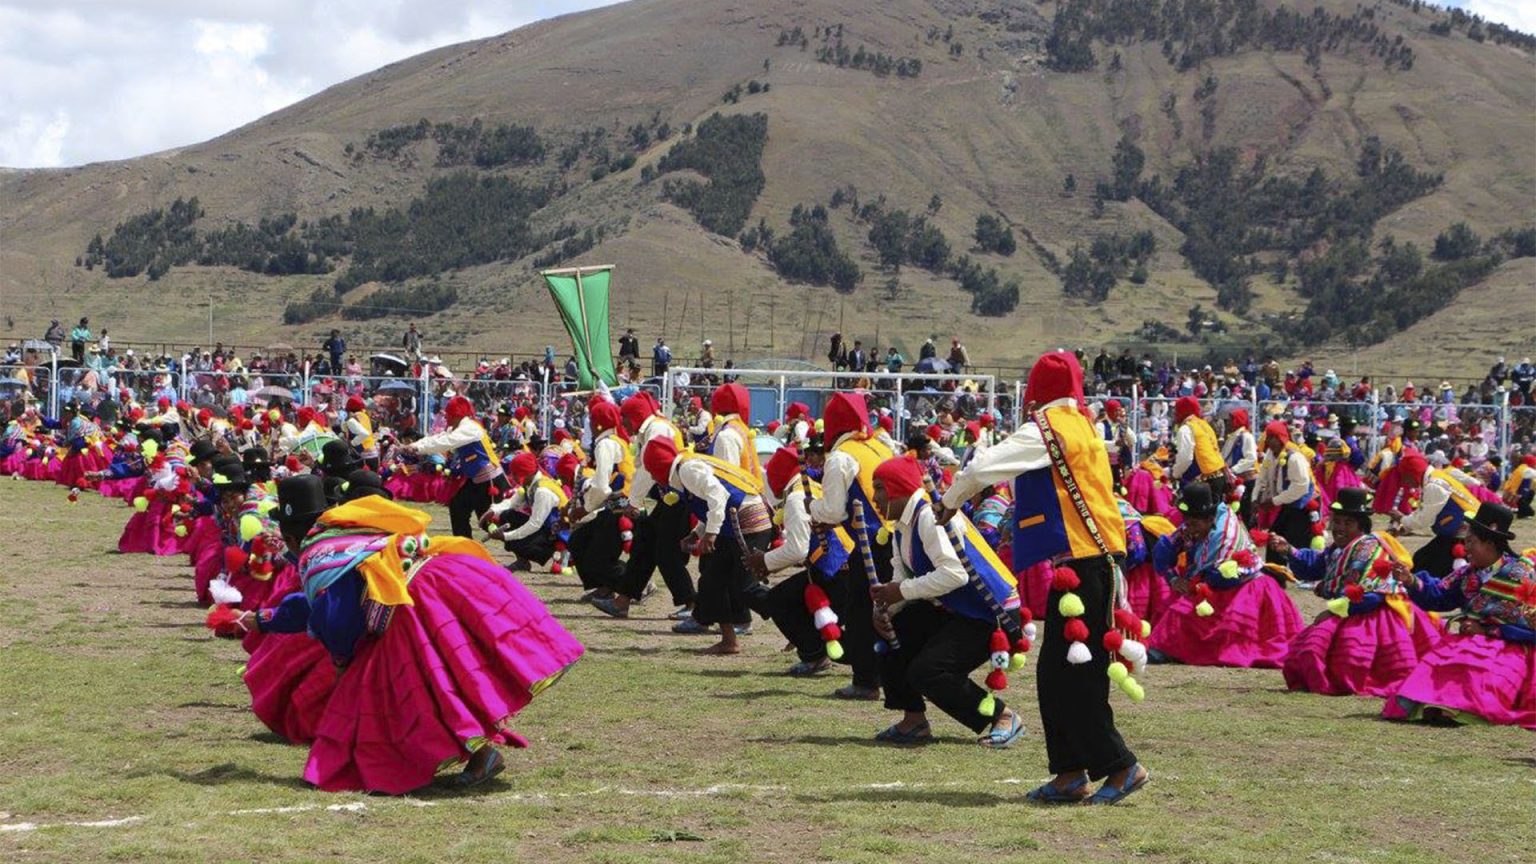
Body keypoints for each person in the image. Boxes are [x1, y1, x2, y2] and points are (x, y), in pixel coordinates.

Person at [236, 474, 584, 792]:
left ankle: (468, 757)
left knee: (410, 689)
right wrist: (264, 620)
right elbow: (314, 605)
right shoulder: (344, 527)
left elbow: (338, 616)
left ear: (293, 537)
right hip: (442, 578)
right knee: (450, 680)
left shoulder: (315, 555)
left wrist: (341, 659)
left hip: (414, 602)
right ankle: (478, 756)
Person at [938, 351, 1146, 805]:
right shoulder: (1082, 425)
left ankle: (1121, 766)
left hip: (1087, 564)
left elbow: (979, 468)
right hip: (1085, 563)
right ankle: (1070, 771)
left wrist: (949, 501)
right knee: (1055, 674)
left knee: (1081, 673)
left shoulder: (1047, 430)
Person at [866, 455, 1027, 747]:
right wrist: (888, 608)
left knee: (929, 670)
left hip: (990, 612)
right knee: (893, 632)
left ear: (898, 488)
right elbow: (902, 575)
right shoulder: (901, 524)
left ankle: (1002, 716)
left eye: (879, 488)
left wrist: (899, 592)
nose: (874, 497)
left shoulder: (929, 516)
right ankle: (913, 720)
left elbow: (955, 575)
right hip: (956, 607)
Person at [1277, 487, 1443, 697]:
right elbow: (1316, 566)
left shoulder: (1370, 548)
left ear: (1361, 526)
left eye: (1348, 523)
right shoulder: (1339, 548)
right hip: (1349, 609)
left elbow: (1370, 593)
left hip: (1376, 614)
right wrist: (1289, 550)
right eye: (1337, 521)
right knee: (1309, 650)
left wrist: (1334, 611)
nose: (1339, 528)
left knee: (1354, 660)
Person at [1384, 502, 1535, 728]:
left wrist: (1488, 630)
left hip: (1509, 647)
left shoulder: (1522, 575)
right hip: (1469, 640)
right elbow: (1439, 596)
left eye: (1471, 541)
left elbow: (1530, 627)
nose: (1466, 548)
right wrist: (1410, 580)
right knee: (1438, 666)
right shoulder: (1467, 574)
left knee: (1480, 674)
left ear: (1490, 542)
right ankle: (1437, 706)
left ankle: (1459, 710)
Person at [1145, 482, 1303, 668]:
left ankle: (1173, 649)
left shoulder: (1225, 536)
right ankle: (1168, 647)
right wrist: (1173, 578)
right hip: (1212, 581)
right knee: (1175, 607)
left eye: (1194, 524)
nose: (1189, 529)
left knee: (1195, 616)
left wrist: (1189, 586)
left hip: (1241, 587)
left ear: (1211, 519)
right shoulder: (1191, 526)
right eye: (1187, 522)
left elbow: (1217, 576)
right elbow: (1164, 552)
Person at [641, 436, 772, 655]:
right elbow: (711, 503)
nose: (654, 477)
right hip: (732, 523)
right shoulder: (688, 468)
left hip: (747, 523)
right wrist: (698, 532)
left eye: (652, 472)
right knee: (712, 580)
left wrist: (710, 534)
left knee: (745, 587)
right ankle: (729, 640)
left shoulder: (687, 470)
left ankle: (795, 617)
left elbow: (718, 495)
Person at [808, 392, 895, 701]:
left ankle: (866, 680)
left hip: (870, 542)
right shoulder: (880, 446)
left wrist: (812, 508)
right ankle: (889, 673)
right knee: (896, 607)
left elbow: (832, 511)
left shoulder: (842, 457)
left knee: (860, 609)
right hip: (898, 534)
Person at [745, 446, 856, 676]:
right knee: (791, 598)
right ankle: (817, 649)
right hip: (840, 565)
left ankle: (815, 654)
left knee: (779, 600)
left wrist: (763, 561)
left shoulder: (797, 497)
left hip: (833, 571)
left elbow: (797, 550)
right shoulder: (812, 486)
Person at [594, 393, 695, 621]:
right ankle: (623, 601)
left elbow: (647, 469)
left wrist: (634, 501)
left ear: (636, 416)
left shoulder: (656, 430)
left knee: (666, 553)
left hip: (677, 497)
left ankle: (691, 602)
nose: (624, 424)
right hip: (667, 497)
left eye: (626, 418)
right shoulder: (649, 430)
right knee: (643, 546)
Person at [407, 396, 506, 538]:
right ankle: (464, 547)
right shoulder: (459, 427)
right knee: (458, 507)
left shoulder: (469, 428)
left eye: (448, 416)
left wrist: (416, 449)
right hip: (476, 480)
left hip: (490, 482)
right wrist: (414, 446)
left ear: (456, 415)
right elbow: (438, 438)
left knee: (489, 523)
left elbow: (445, 442)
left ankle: (523, 545)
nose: (447, 420)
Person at [1393, 451, 1484, 578]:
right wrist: (1404, 527)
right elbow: (1423, 512)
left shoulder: (1434, 485)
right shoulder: (1437, 477)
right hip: (1461, 531)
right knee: (1423, 559)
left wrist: (1401, 518)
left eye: (1404, 477)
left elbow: (1424, 520)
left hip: (1464, 535)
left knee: (1425, 563)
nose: (1404, 481)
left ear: (1411, 474)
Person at [484, 452, 567, 571]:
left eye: (515, 474)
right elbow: (511, 503)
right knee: (509, 515)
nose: (513, 477)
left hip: (556, 534)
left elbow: (535, 524)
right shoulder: (530, 483)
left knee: (513, 524)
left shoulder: (542, 491)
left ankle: (556, 555)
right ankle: (522, 562)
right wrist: (493, 511)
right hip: (546, 528)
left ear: (525, 473)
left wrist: (506, 536)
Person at [1253, 421, 1323, 562]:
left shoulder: (1294, 457)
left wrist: (1274, 501)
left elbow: (1300, 487)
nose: (1269, 441)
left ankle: (1300, 574)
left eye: (1273, 437)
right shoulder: (1270, 454)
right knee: (1275, 540)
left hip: (1303, 504)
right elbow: (1262, 477)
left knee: (1297, 542)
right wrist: (1255, 498)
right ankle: (1276, 572)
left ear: (1281, 438)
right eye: (1268, 437)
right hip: (1285, 502)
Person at [1170, 396, 1228, 500]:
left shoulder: (1186, 428)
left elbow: (1185, 459)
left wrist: (1175, 474)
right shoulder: (1204, 425)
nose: (1174, 414)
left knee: (1194, 515)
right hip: (1218, 477)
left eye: (1176, 410)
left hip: (1201, 484)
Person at [1222, 409, 1257, 526]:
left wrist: (1233, 470)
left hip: (1245, 480)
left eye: (1231, 420)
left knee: (1244, 512)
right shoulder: (1232, 437)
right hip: (1233, 480)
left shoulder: (1246, 436)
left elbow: (1251, 458)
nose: (1228, 423)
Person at [344, 396, 379, 471]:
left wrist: (352, 443)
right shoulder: (364, 415)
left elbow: (364, 434)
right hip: (373, 452)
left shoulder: (354, 417)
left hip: (365, 456)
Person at [1499, 453, 1536, 517]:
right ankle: (1523, 511)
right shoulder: (1526, 470)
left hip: (1510, 494)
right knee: (1531, 511)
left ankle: (1522, 510)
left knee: (1530, 492)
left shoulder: (1520, 468)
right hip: (1514, 495)